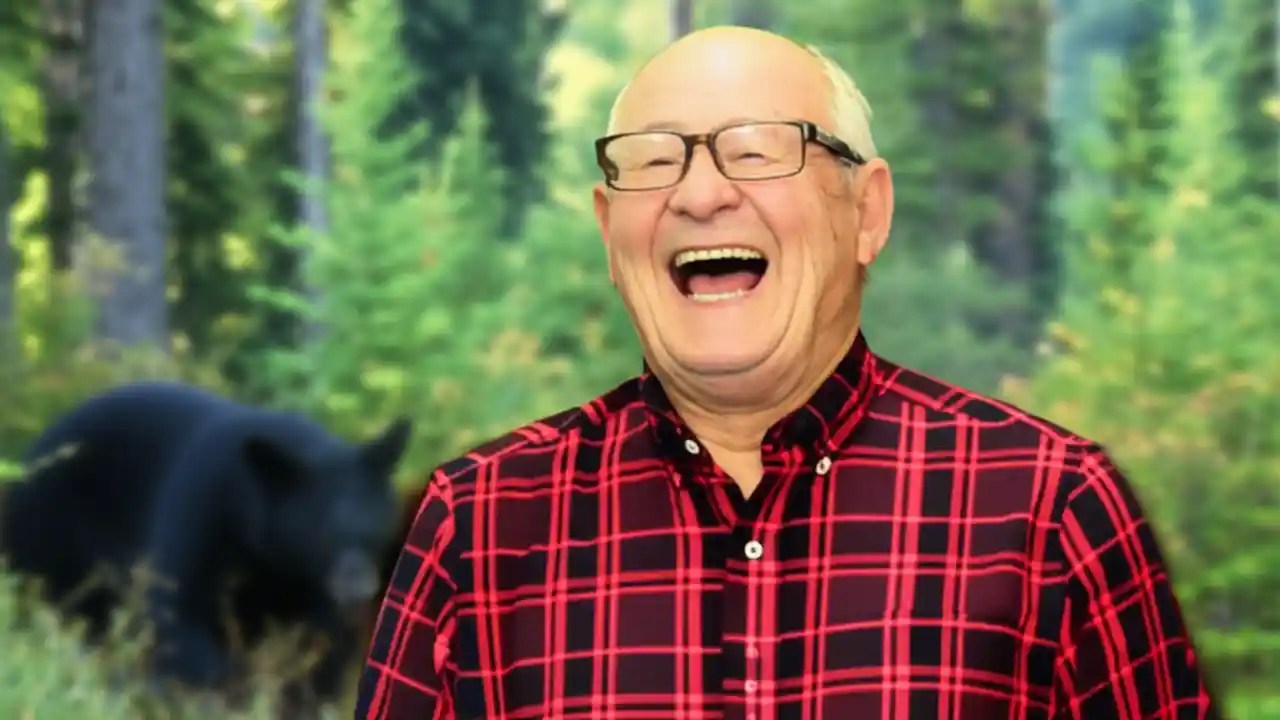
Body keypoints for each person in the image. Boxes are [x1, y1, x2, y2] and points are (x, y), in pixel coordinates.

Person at [354, 25, 1220, 719]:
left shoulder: (1048, 506)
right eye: (653, 160)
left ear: (867, 211)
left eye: (758, 150)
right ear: (608, 229)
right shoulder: (477, 522)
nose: (698, 195)